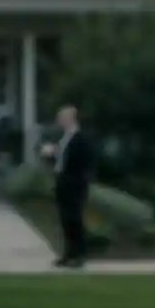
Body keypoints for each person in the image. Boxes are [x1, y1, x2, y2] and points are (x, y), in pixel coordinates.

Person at [42, 105, 93, 268]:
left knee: (75, 219)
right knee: (65, 220)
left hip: (75, 185)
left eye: (62, 118)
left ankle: (80, 255)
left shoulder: (80, 139)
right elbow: (61, 161)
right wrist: (51, 154)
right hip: (62, 183)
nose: (59, 121)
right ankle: (68, 254)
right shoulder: (64, 138)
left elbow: (82, 163)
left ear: (70, 119)